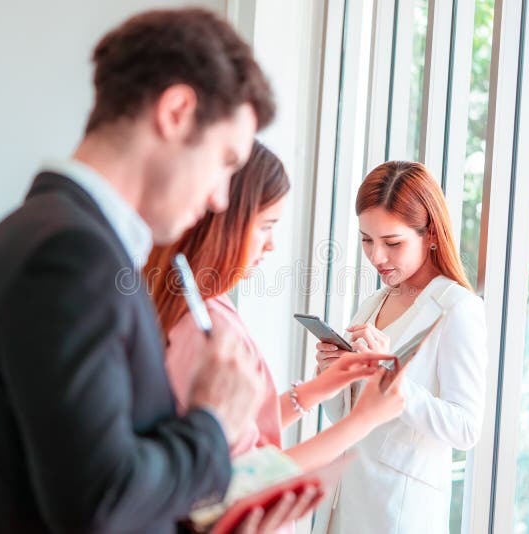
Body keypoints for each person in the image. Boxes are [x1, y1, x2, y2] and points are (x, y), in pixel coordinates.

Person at [0, 8, 309, 533]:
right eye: (226, 160)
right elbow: (99, 502)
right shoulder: (69, 256)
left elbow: (92, 486)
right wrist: (212, 423)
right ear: (176, 111)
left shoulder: (44, 235)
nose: (221, 198)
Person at [145, 142, 409, 477]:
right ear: (224, 219)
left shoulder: (206, 302)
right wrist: (363, 420)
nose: (271, 245)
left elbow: (243, 430)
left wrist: (322, 386)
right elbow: (243, 477)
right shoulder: (205, 327)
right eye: (266, 225)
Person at [311, 161, 488, 533]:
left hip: (398, 513)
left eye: (392, 243)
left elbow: (466, 428)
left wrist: (394, 379)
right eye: (366, 240)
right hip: (342, 504)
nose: (377, 257)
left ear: (431, 235)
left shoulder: (458, 309)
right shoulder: (373, 304)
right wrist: (332, 376)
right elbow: (348, 418)